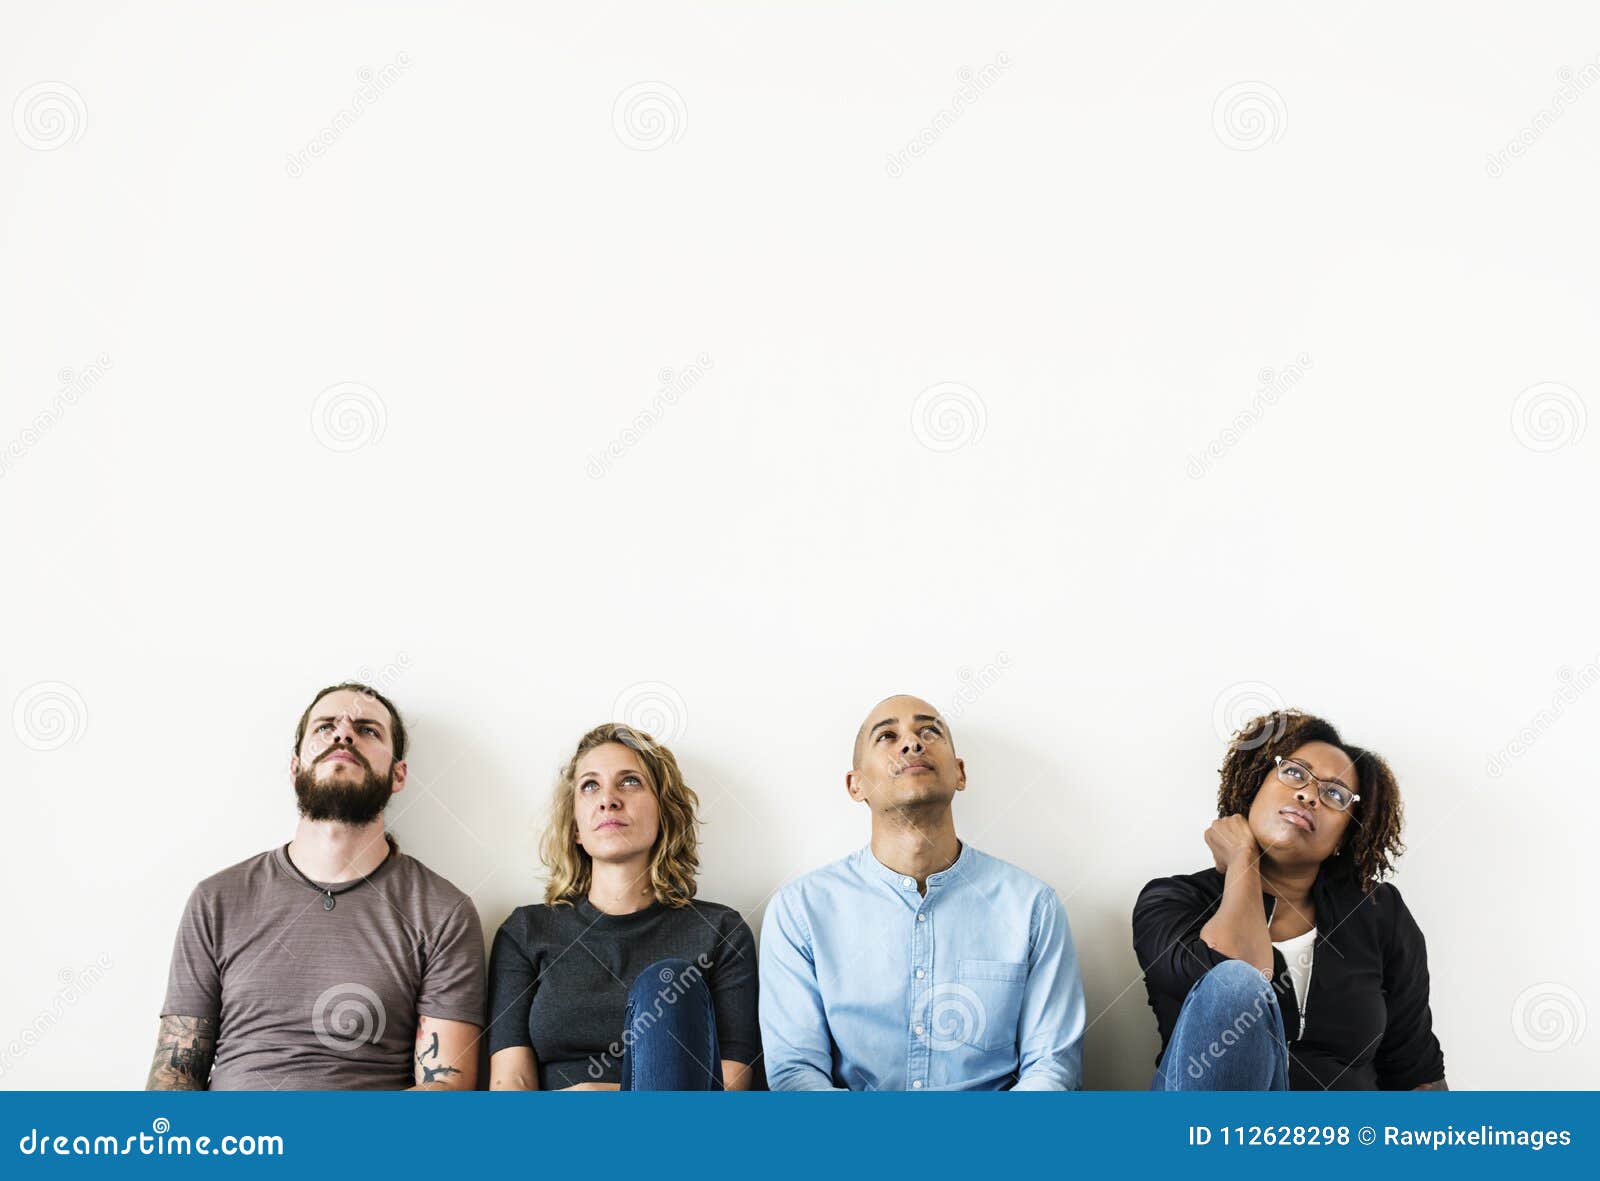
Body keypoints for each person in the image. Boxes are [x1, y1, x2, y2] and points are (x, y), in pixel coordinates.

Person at [147, 683, 486, 1090]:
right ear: (295, 767)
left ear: (398, 775)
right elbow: (174, 1075)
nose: (344, 734)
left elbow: (445, 1090)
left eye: (368, 730)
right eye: (325, 727)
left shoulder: (442, 911)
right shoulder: (216, 899)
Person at [759, 693, 1086, 1091]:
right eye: (887, 736)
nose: (912, 743)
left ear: (960, 773)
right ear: (855, 784)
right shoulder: (800, 912)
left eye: (929, 731)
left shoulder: (1032, 907)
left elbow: (1051, 1068)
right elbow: (796, 1074)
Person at [1133, 709, 1447, 1090]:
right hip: (1202, 1136)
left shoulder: (1380, 914)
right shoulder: (1172, 900)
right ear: (1254, 787)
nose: (1309, 795)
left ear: (1345, 837)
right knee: (1235, 983)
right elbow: (1242, 978)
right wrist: (1243, 860)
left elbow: (1416, 1071)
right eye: (1295, 772)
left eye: (1334, 794)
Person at [487, 723, 759, 1090]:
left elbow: (732, 1083)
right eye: (590, 785)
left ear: (664, 812)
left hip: (678, 1136)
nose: (608, 799)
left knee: (668, 980)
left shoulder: (719, 932)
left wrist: (609, 1095)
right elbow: (510, 1083)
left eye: (630, 781)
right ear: (576, 829)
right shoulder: (525, 932)